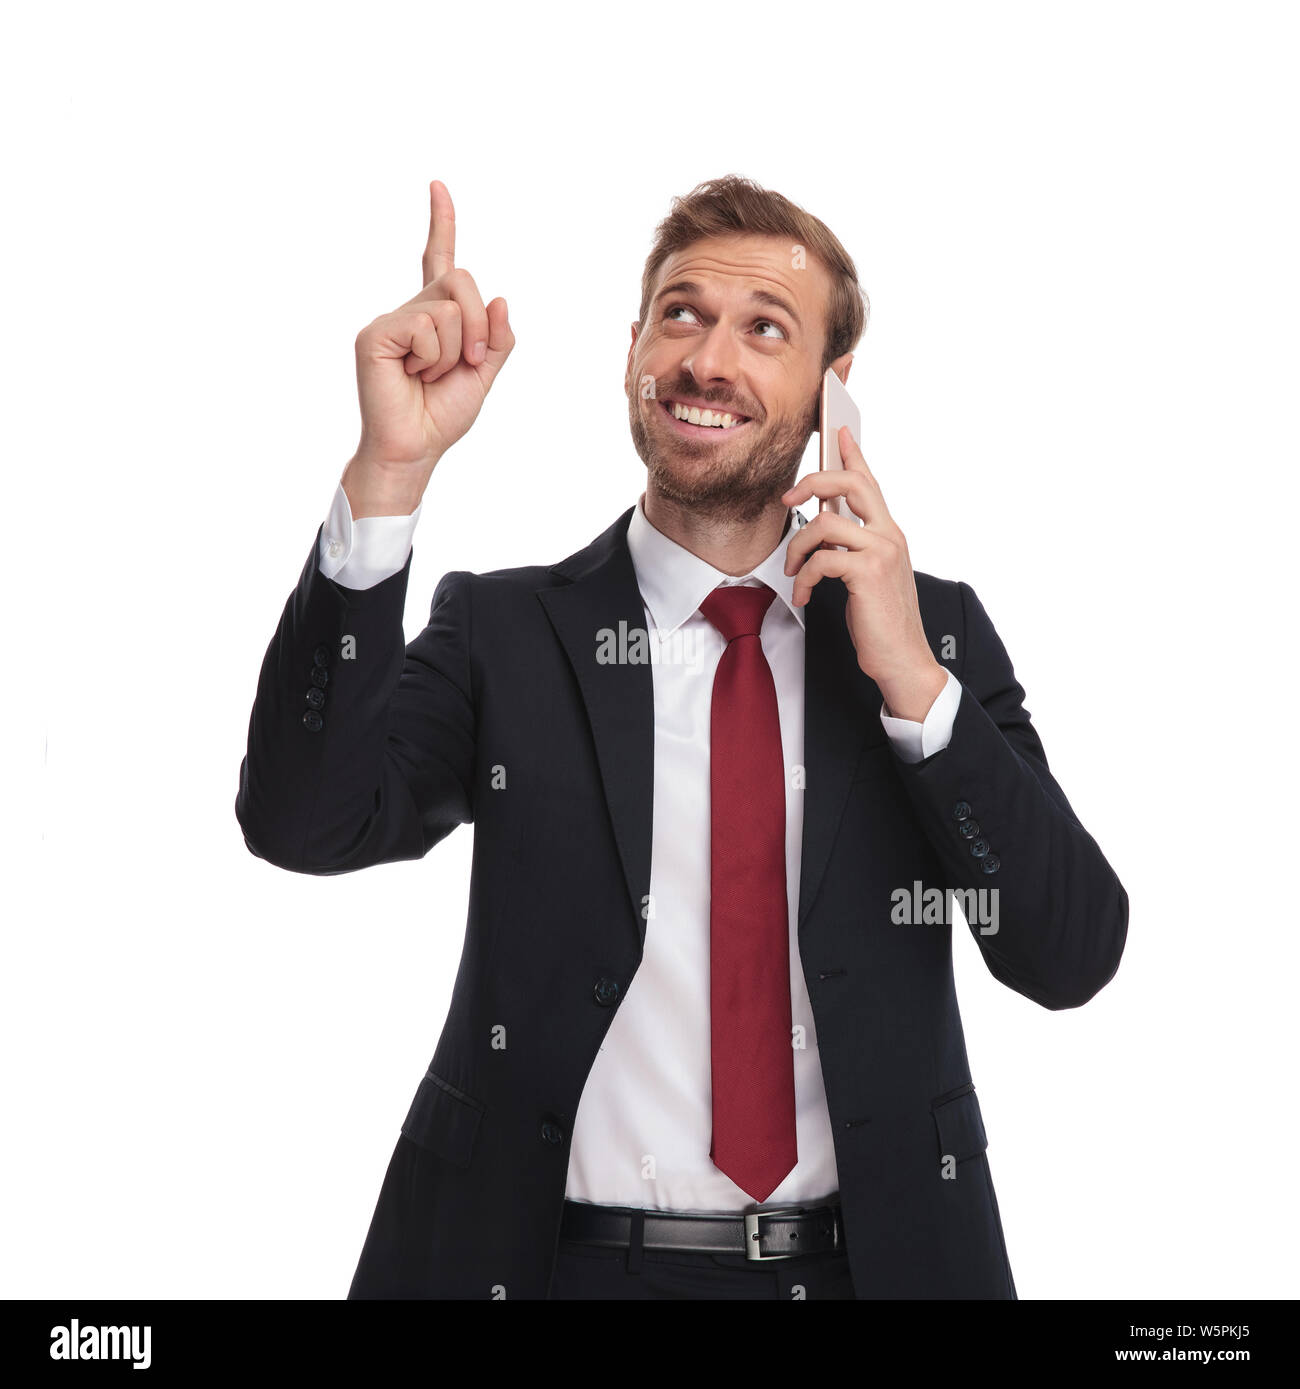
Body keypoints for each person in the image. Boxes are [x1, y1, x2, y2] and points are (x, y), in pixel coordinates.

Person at [235, 175, 1128, 1300]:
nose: (708, 361)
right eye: (681, 314)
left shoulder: (931, 634)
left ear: (831, 393)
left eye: (766, 328)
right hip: (553, 1269)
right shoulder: (506, 633)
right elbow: (303, 823)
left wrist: (911, 680)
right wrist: (391, 475)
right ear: (632, 353)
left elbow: (1069, 952)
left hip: (864, 1275)